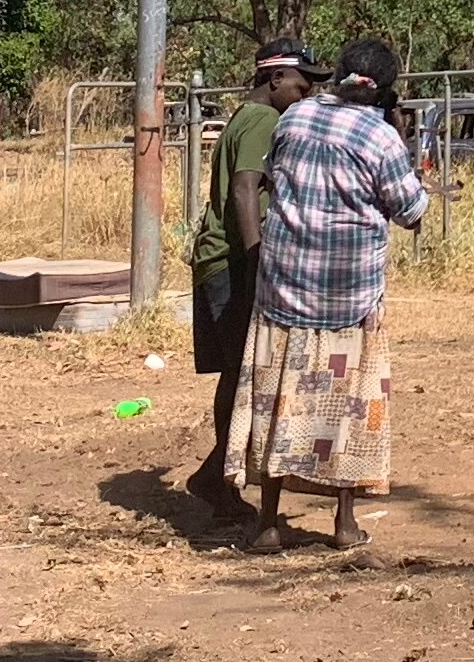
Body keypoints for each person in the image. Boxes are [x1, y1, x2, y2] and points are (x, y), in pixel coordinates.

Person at [231, 35, 429, 554]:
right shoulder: (381, 139)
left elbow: (275, 177)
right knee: (349, 407)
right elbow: (411, 211)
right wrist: (401, 134)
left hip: (283, 293)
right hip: (349, 299)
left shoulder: (294, 119)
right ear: (384, 89)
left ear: (339, 75)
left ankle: (269, 523)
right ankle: (343, 523)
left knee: (278, 401)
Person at [183, 42, 317, 518]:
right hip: (233, 261)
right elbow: (244, 187)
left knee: (237, 372)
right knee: (241, 372)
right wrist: (259, 258)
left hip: (221, 258)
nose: (305, 95)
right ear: (276, 77)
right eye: (301, 85)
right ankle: (216, 478)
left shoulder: (246, 117)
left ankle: (217, 476)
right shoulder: (264, 120)